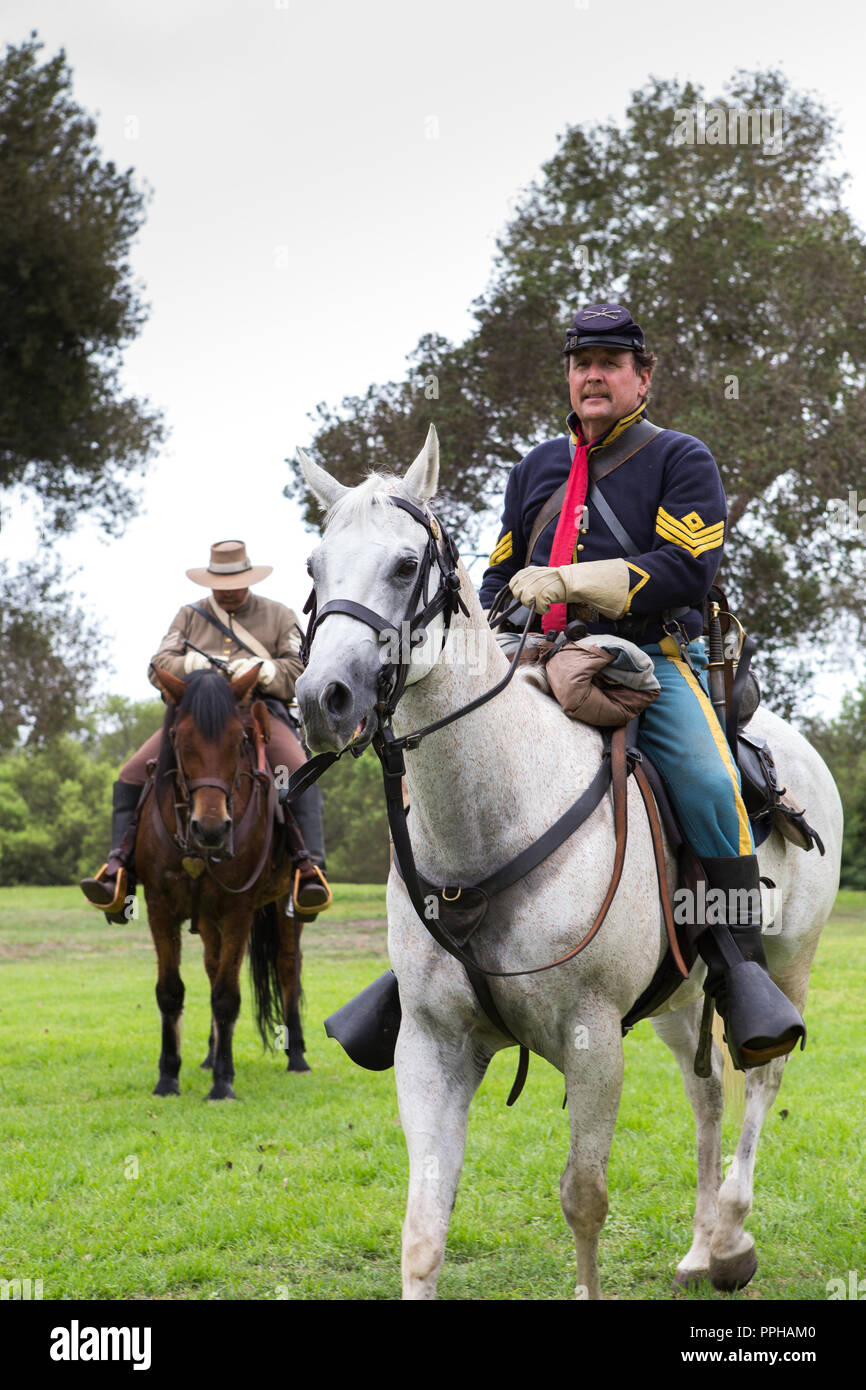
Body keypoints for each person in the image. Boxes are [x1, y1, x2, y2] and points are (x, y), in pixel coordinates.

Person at [478, 302, 805, 1071]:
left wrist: (572, 578)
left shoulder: (680, 458)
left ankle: (736, 966)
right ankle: (421, 958)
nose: (593, 374)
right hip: (534, 656)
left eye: (610, 363)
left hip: (645, 657)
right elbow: (500, 574)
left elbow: (687, 570)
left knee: (705, 777)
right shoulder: (533, 469)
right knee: (446, 755)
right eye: (581, 362)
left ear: (641, 378)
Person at [79, 539, 330, 923]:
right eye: (221, 583)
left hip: (258, 714)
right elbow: (158, 665)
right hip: (195, 718)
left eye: (236, 581)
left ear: (249, 578)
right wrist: (192, 663)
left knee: (297, 772)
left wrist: (261, 670)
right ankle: (120, 875)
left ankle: (309, 872)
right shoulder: (189, 616)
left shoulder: (279, 616)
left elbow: (299, 670)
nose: (229, 590)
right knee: (130, 774)